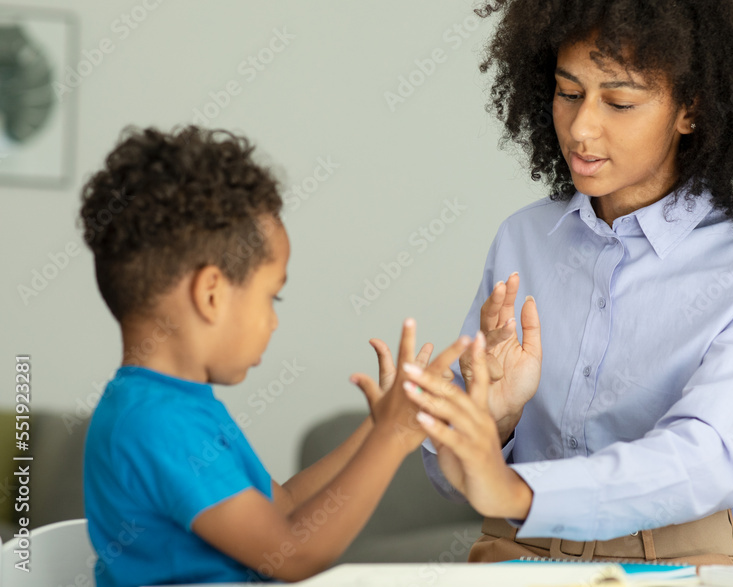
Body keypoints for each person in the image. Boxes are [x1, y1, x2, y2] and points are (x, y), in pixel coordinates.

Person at [411, 0, 733, 566]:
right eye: (568, 92)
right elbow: (449, 474)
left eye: (620, 101)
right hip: (513, 554)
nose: (581, 127)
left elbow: (705, 460)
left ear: (690, 108)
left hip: (682, 564)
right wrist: (492, 420)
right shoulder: (523, 238)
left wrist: (518, 487)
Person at [79, 125, 482, 586]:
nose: (273, 322)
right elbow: (289, 554)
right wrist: (391, 438)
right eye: (273, 297)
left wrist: (377, 425)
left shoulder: (174, 408)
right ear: (211, 294)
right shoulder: (160, 424)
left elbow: (285, 508)